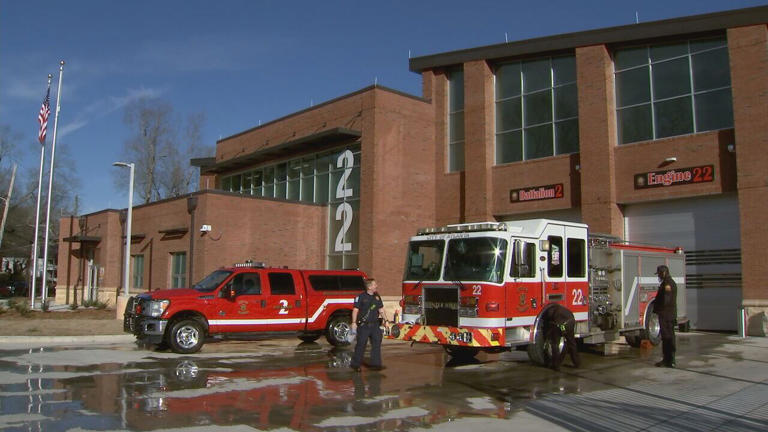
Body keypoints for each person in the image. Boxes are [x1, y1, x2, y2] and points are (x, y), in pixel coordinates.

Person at [350, 278, 389, 372]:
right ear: (369, 287)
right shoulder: (361, 297)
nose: (376, 286)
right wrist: (354, 322)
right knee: (361, 344)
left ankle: (376, 364)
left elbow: (381, 309)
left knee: (376, 344)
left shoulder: (377, 297)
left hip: (375, 325)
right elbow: (355, 310)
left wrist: (386, 320)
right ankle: (355, 364)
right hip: (364, 326)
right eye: (375, 284)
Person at [542, 303, 580, 371]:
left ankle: (556, 365)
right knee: (572, 344)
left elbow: (558, 324)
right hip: (571, 323)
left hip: (561, 325)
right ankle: (577, 363)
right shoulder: (562, 309)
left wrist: (562, 331)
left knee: (555, 344)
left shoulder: (553, 313)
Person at [653, 265, 677, 368]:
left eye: (659, 273)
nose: (658, 275)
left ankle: (669, 360)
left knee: (667, 337)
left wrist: (659, 309)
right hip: (668, 314)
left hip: (666, 315)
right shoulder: (669, 282)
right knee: (669, 337)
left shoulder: (668, 284)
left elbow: (666, 300)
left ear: (663, 273)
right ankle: (669, 359)